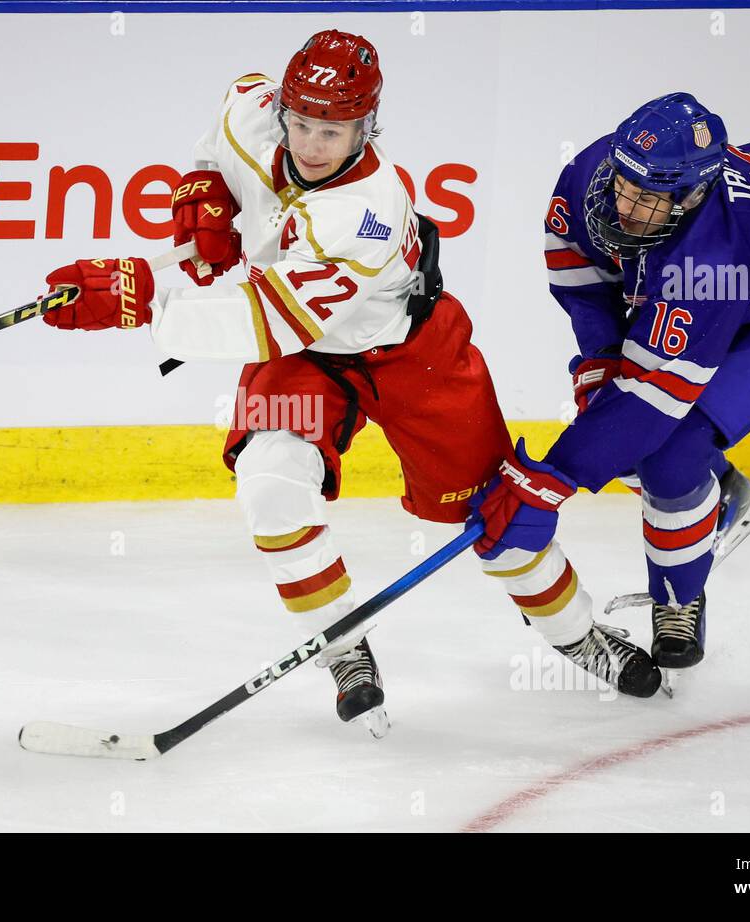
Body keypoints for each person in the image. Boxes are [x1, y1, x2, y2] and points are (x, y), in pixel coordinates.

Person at [40, 31, 662, 737]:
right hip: (310, 357)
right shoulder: (253, 110)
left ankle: (577, 636)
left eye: (331, 130)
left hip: (409, 352)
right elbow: (223, 134)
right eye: (300, 123)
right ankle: (342, 646)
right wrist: (207, 187)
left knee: (501, 515)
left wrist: (139, 296)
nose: (310, 143)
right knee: (270, 486)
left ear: (367, 124)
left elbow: (266, 323)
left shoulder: (365, 211)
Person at [470, 92, 750, 673]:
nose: (626, 206)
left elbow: (652, 403)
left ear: (694, 195)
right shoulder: (591, 173)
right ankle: (719, 493)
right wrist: (602, 360)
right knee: (614, 416)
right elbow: (581, 278)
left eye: (650, 198)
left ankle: (680, 595)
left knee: (671, 451)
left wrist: (546, 482)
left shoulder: (712, 260)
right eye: (625, 185)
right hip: (748, 242)